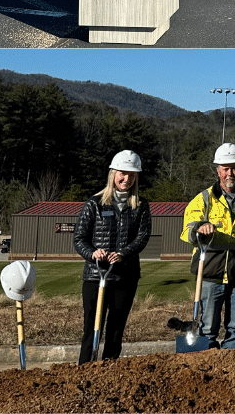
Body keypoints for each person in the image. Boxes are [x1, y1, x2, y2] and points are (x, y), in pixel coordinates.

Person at [181, 143, 235, 349]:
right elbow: (187, 230)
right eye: (225, 168)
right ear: (218, 170)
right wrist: (199, 228)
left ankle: (233, 368)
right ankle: (205, 368)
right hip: (212, 270)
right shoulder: (204, 199)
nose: (230, 173)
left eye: (234, 168)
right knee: (207, 328)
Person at [73, 150, 151, 363]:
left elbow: (142, 237)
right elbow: (79, 238)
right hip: (95, 275)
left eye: (132, 175)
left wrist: (124, 254)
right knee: (91, 325)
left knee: (116, 327)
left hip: (125, 276)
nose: (126, 179)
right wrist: (93, 253)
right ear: (113, 174)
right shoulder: (94, 204)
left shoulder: (141, 206)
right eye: (122, 174)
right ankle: (86, 367)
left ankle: (110, 369)